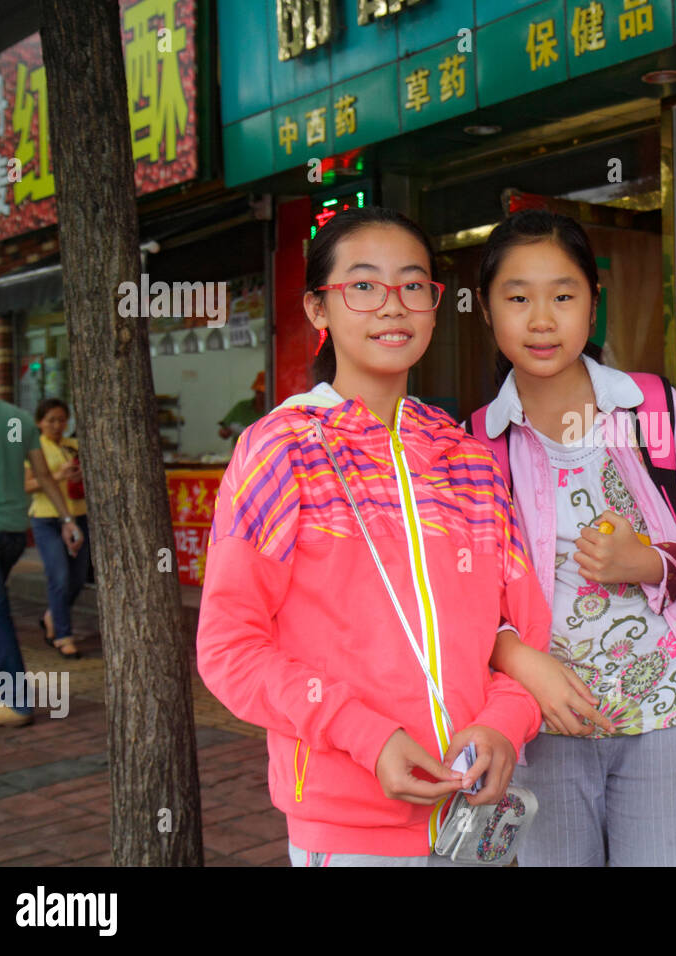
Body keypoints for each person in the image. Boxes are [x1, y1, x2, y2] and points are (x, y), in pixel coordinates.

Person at [195, 207, 554, 866]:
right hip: (347, 824)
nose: (393, 306)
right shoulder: (281, 449)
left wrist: (503, 724)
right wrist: (364, 734)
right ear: (318, 308)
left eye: (413, 285)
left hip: (475, 816)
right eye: (363, 286)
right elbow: (229, 646)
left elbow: (522, 625)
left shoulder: (466, 457)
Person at [468, 210, 676, 866]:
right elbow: (461, 598)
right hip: (544, 722)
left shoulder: (650, 409)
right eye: (517, 298)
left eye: (564, 296)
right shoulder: (477, 443)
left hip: (665, 711)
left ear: (594, 304)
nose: (542, 319)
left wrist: (648, 561)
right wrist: (514, 659)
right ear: (485, 311)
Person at [0, 342, 82, 727]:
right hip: (14, 531)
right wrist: (67, 519)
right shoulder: (15, 419)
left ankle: (16, 701)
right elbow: (44, 475)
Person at [24, 398, 90, 659]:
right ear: (39, 422)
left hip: (79, 515)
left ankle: (53, 615)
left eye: (61, 419)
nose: (56, 425)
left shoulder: (72, 446)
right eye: (50, 419)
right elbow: (26, 485)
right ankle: (63, 635)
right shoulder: (34, 447)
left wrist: (78, 474)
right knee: (59, 575)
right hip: (47, 519)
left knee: (78, 577)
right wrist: (58, 476)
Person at [217, 370, 265, 442]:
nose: (260, 396)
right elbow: (222, 431)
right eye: (258, 392)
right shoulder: (241, 407)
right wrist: (226, 432)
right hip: (240, 451)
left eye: (263, 393)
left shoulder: (275, 410)